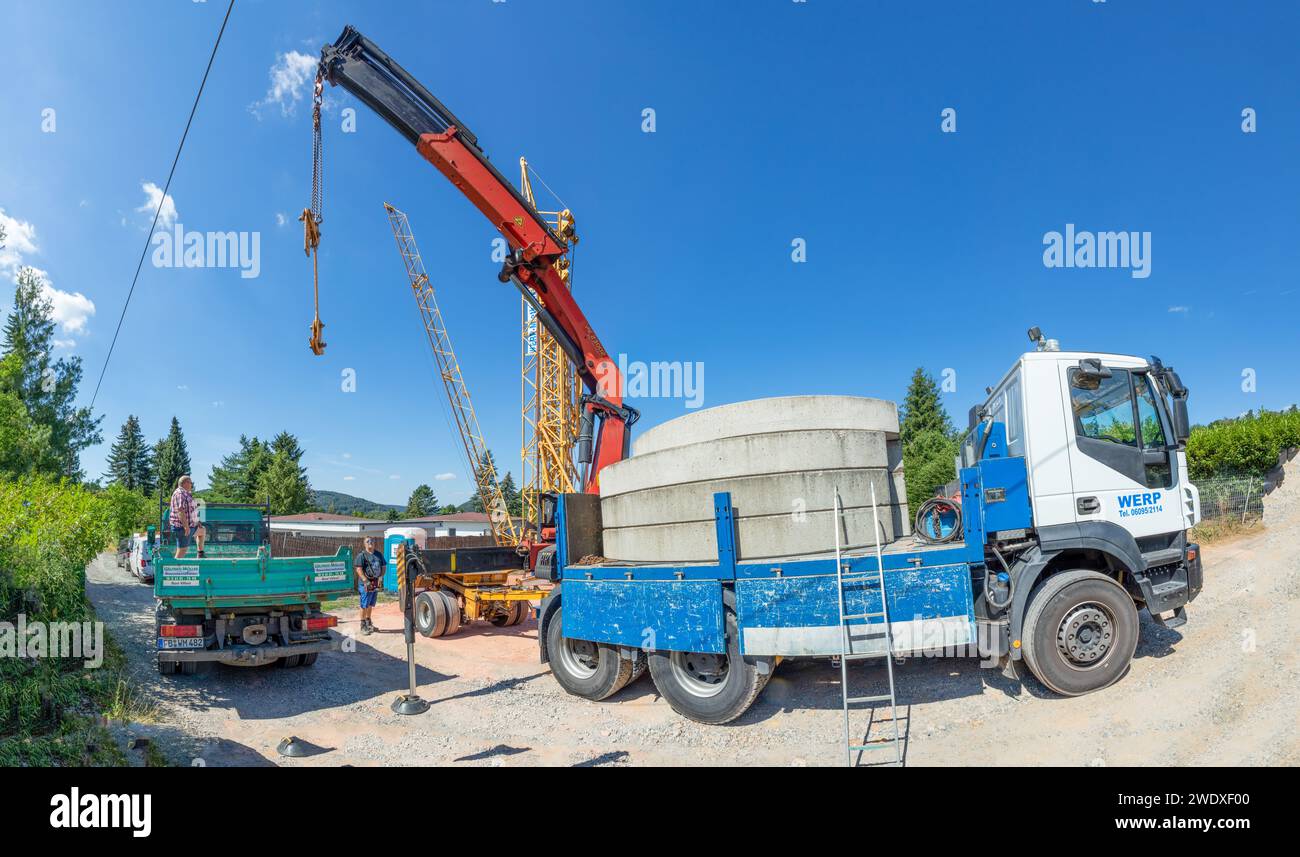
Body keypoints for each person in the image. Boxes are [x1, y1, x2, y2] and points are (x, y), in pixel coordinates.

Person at [168, 475, 206, 559]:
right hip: (182, 528)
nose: (191, 485)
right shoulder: (180, 494)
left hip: (191, 526)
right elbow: (180, 511)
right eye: (190, 483)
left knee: (202, 531)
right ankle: (173, 569)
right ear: (186, 483)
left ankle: (200, 554)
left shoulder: (186, 493)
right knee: (182, 550)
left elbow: (191, 509)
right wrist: (186, 527)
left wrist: (197, 521)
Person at [354, 536, 386, 635]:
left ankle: (368, 621)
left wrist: (380, 577)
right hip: (365, 583)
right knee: (364, 604)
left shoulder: (378, 554)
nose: (370, 543)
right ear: (365, 544)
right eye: (368, 541)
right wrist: (365, 580)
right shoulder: (362, 555)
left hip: (375, 582)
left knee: (371, 603)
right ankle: (362, 625)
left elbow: (383, 566)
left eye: (372, 541)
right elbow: (358, 569)